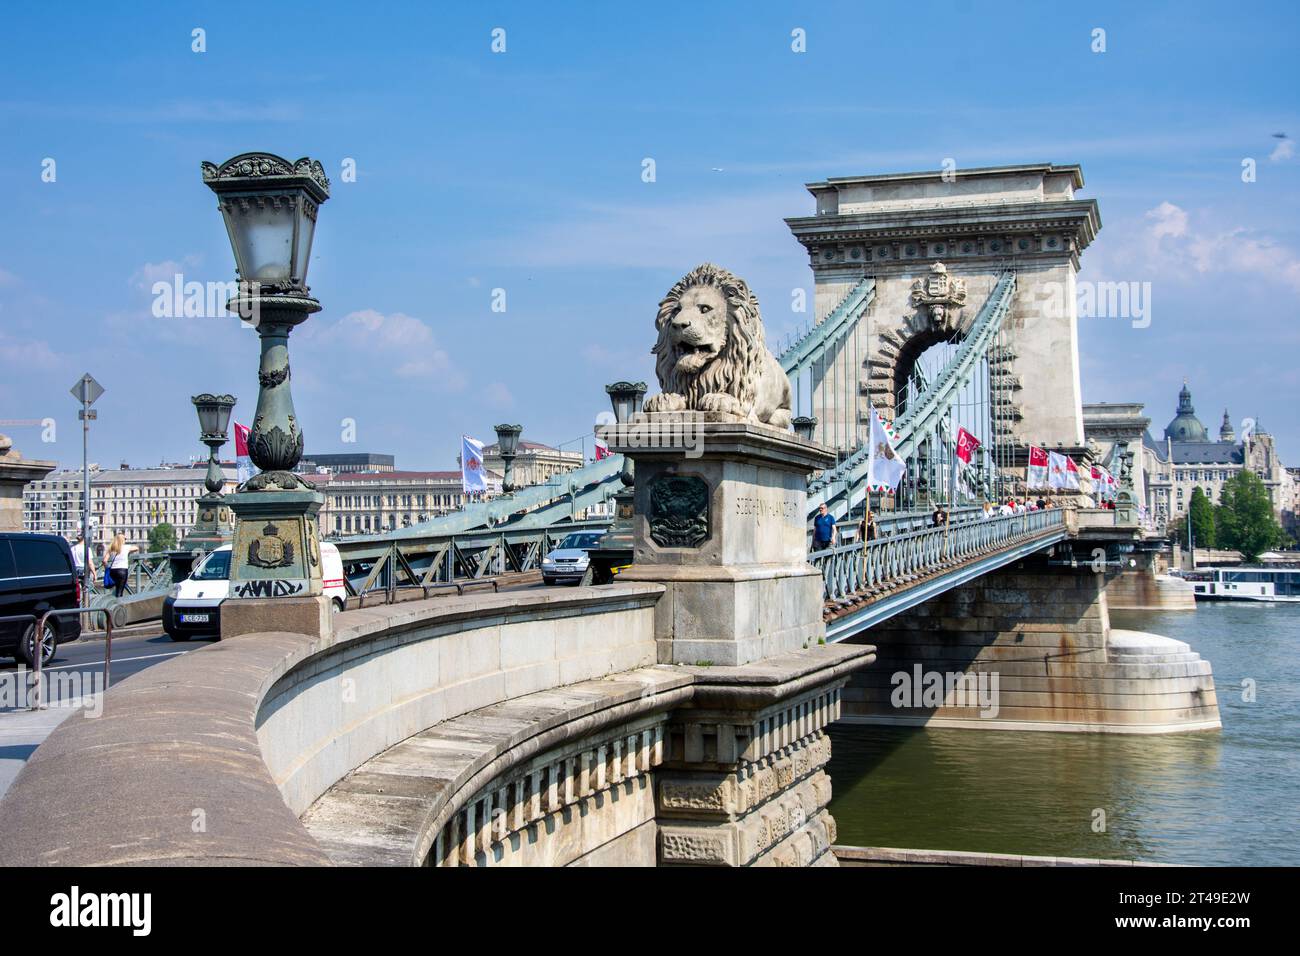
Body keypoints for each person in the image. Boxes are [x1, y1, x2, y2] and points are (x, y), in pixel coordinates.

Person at [105, 532, 132, 598]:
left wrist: (106, 567)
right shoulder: (126, 547)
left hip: (113, 571)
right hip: (122, 570)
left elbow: (104, 560)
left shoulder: (112, 548)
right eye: (125, 539)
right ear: (123, 540)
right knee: (120, 591)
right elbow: (137, 548)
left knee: (116, 588)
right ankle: (118, 605)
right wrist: (129, 552)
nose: (125, 540)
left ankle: (114, 602)